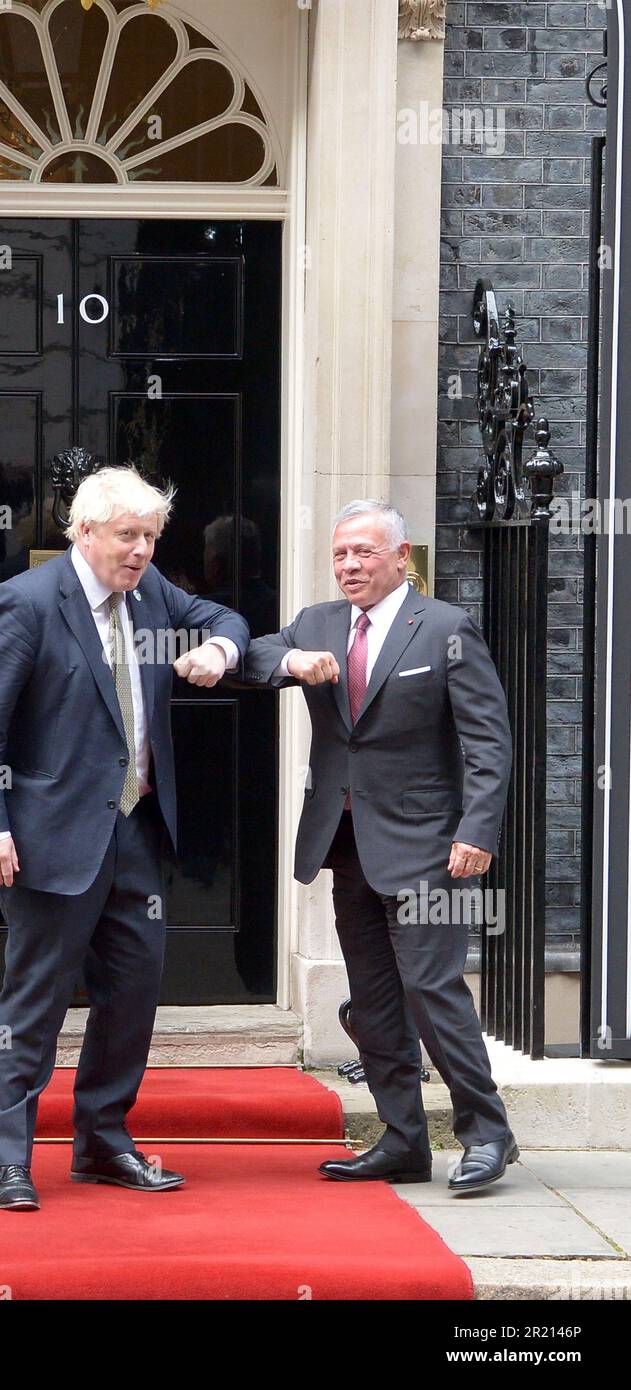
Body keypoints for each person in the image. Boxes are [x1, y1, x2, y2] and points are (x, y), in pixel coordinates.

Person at [0, 466, 249, 1210]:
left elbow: (225, 618)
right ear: (82, 532)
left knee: (132, 997)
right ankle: (11, 1159)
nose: (142, 550)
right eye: (127, 536)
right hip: (48, 838)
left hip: (136, 834)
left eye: (150, 536)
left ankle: (102, 1141)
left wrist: (218, 652)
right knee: (34, 1003)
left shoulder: (151, 596)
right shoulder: (22, 605)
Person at [243, 499, 518, 1193]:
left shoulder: (445, 629)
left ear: (401, 558)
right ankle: (401, 1140)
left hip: (430, 846)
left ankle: (487, 1134)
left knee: (430, 989)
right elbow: (254, 657)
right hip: (347, 846)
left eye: (363, 552)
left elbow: (488, 741)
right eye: (339, 554)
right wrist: (294, 659)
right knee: (371, 1000)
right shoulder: (318, 623)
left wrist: (476, 832)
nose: (348, 565)